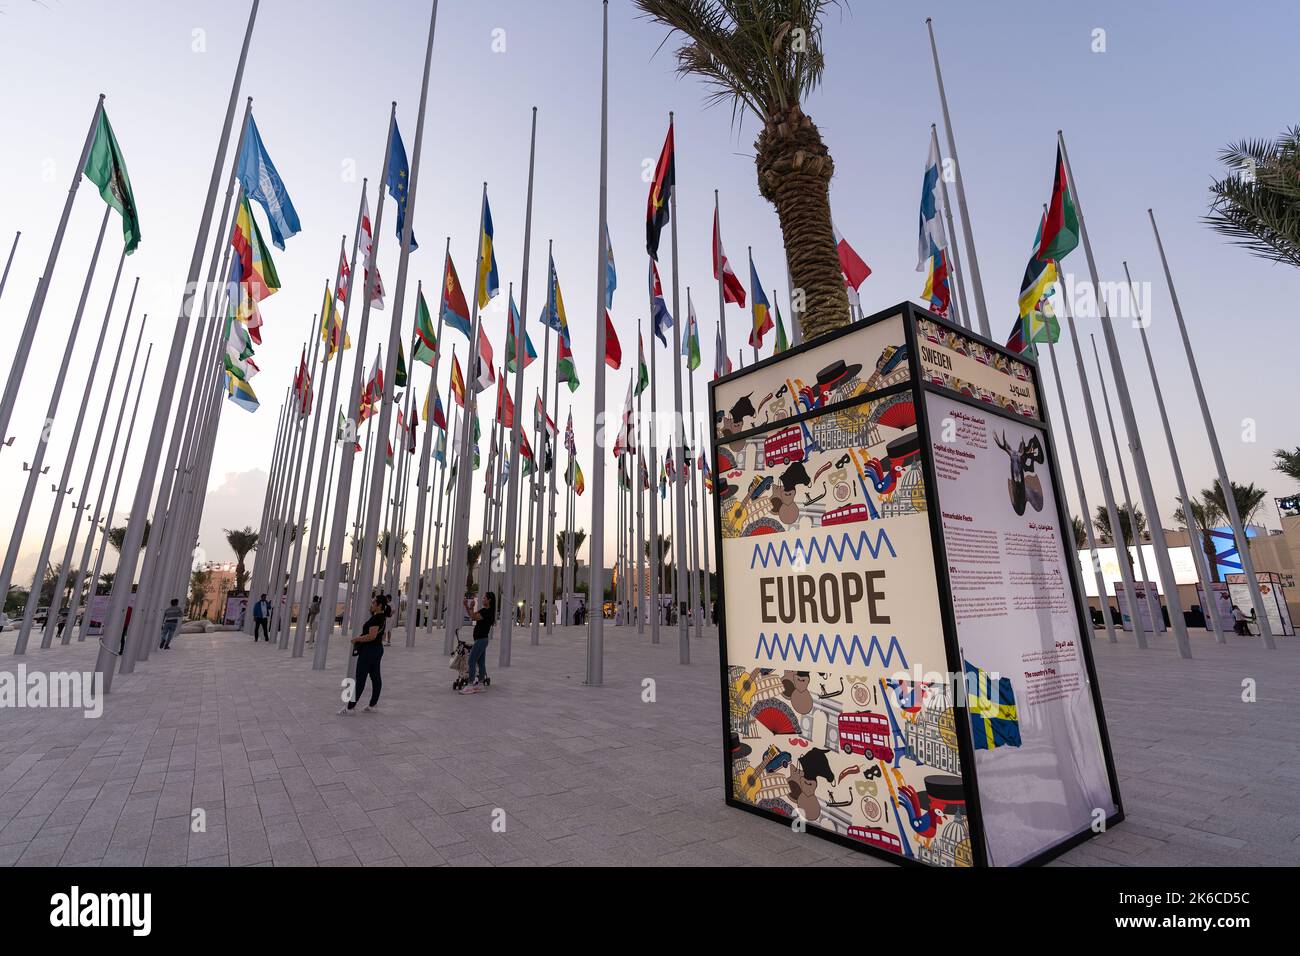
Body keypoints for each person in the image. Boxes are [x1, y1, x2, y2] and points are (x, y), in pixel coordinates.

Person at [339, 596, 386, 714]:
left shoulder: (376, 619)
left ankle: (350, 707)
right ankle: (373, 704)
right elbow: (382, 636)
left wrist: (357, 639)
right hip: (377, 649)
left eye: (374, 602)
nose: (372, 604)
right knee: (375, 677)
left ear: (379, 605)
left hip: (369, 650)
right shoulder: (382, 618)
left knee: (361, 678)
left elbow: (372, 636)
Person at [460, 592, 495, 694]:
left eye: (484, 598)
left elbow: (474, 617)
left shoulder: (486, 612)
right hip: (482, 639)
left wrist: (470, 607)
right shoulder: (486, 611)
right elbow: (472, 616)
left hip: (481, 640)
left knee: (471, 660)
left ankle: (470, 684)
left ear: (489, 600)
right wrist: (467, 606)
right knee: (481, 662)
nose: (482, 600)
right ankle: (480, 684)